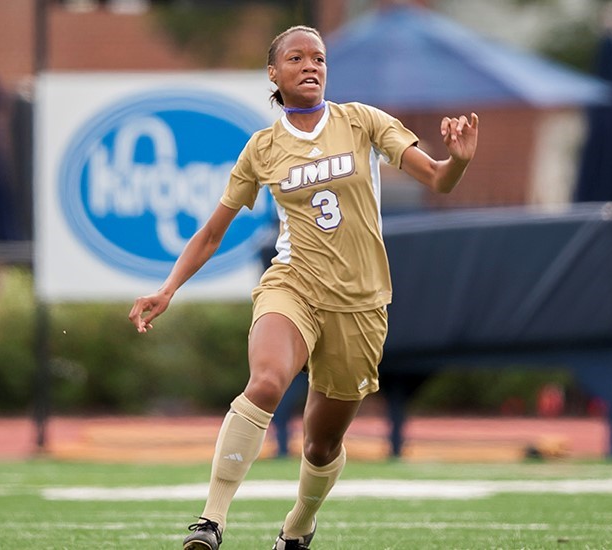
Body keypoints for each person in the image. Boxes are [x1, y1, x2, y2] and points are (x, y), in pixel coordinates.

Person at [128, 25, 479, 550]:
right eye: (296, 58)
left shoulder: (361, 121)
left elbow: (436, 177)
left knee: (321, 442)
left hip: (361, 303)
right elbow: (210, 234)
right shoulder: (263, 148)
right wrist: (168, 288)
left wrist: (460, 161)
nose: (310, 66)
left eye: (318, 58)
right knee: (266, 382)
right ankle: (211, 521)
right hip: (293, 285)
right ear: (274, 73)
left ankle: (298, 524)